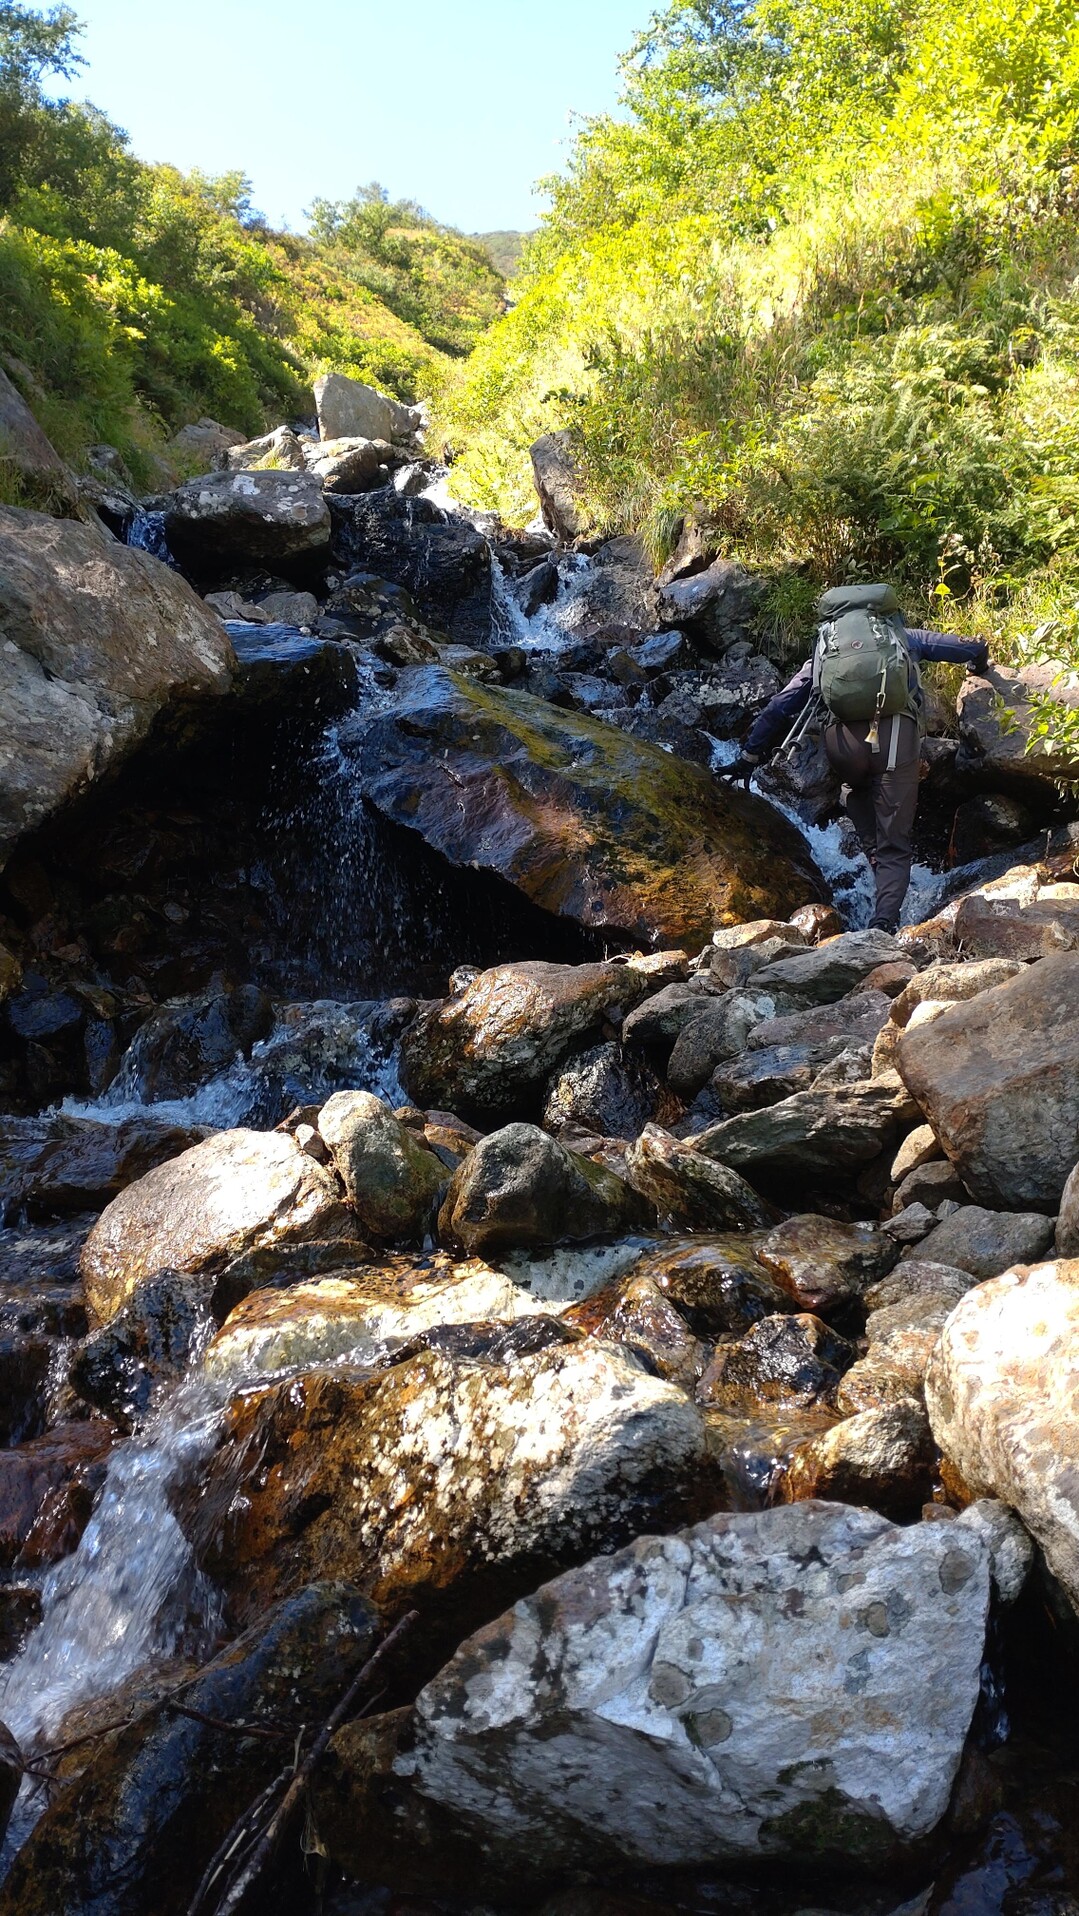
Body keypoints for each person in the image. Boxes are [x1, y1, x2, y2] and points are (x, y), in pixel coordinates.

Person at [726, 591, 989, 932]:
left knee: (853, 791)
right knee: (895, 844)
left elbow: (781, 705)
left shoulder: (828, 650)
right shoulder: (901, 638)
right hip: (894, 741)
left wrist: (748, 756)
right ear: (885, 612)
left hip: (844, 746)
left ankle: (875, 858)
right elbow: (969, 647)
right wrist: (979, 664)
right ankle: (883, 924)